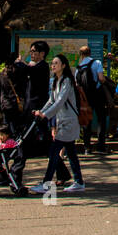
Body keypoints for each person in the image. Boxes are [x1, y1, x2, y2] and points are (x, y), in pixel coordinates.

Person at [32, 54, 86, 193]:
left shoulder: (67, 81)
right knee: (71, 153)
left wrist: (46, 115)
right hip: (63, 121)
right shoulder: (57, 80)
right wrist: (41, 111)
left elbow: (60, 101)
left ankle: (46, 184)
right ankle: (79, 182)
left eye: (56, 63)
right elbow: (51, 100)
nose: (53, 65)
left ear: (64, 65)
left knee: (54, 152)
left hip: (68, 122)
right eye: (52, 63)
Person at [17, 41, 70, 183]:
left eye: (34, 51)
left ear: (42, 54)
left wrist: (20, 63)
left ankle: (16, 173)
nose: (32, 53)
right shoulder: (33, 66)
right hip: (32, 110)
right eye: (31, 51)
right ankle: (62, 173)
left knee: (25, 143)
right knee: (46, 144)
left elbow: (28, 71)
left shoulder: (42, 67)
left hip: (38, 112)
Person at [76, 46, 109, 154]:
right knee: (101, 119)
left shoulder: (79, 67)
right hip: (97, 94)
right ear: (90, 53)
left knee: (87, 121)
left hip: (85, 97)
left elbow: (77, 84)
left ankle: (87, 147)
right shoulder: (97, 63)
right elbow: (101, 78)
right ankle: (101, 146)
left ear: (81, 54)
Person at [0, 59, 26, 138]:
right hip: (15, 104)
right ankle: (14, 143)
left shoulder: (2, 74)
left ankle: (7, 145)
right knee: (16, 127)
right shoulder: (17, 73)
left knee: (6, 127)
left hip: (5, 104)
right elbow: (23, 88)